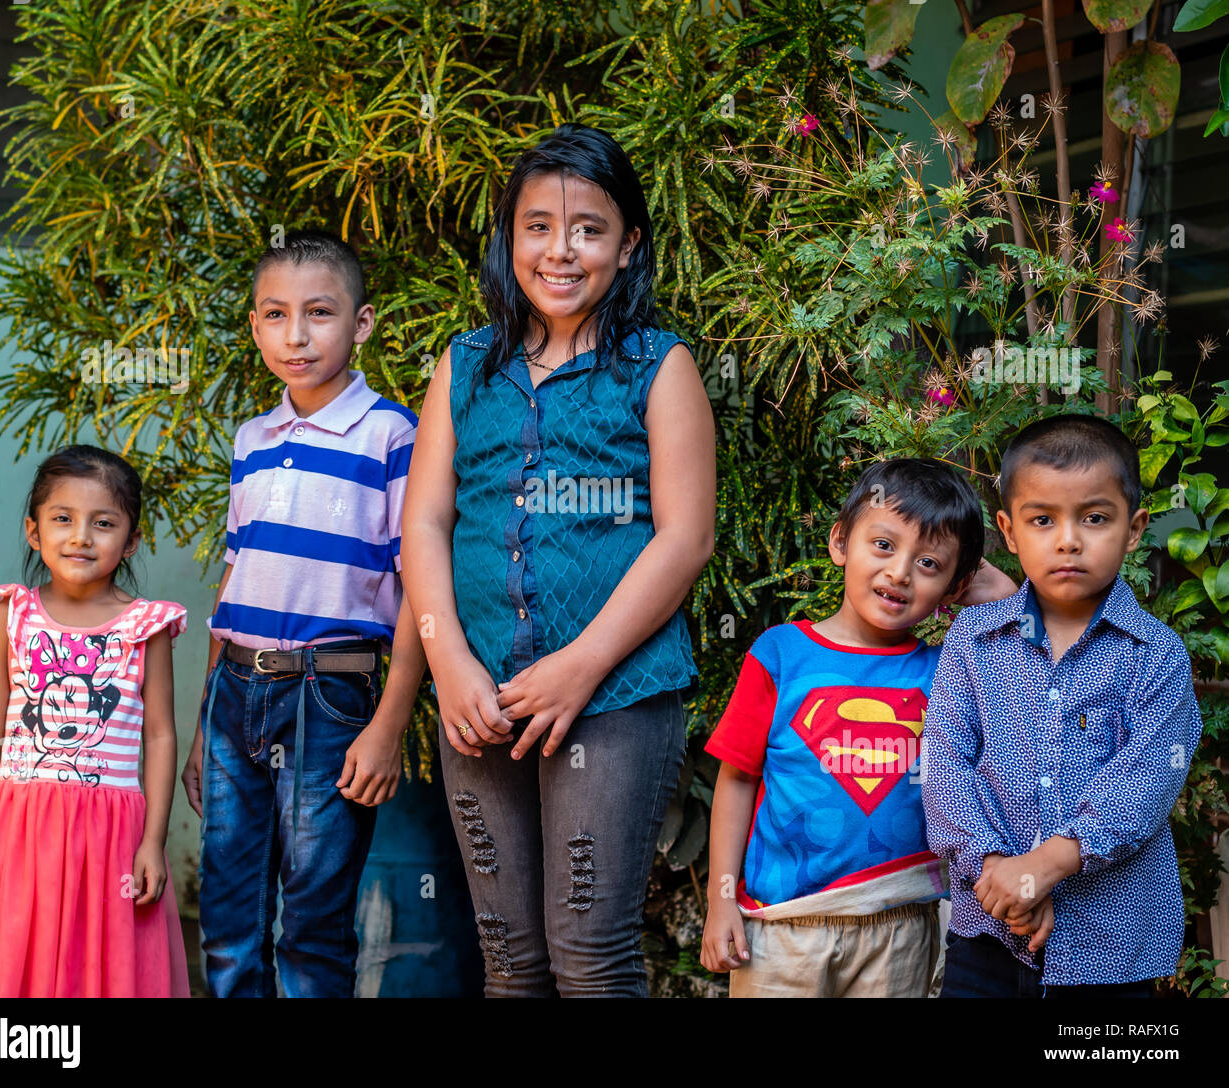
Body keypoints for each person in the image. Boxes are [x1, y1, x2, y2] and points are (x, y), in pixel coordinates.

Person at [401, 123, 716, 996]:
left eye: (589, 228)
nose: (561, 249)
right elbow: (424, 525)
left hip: (614, 696)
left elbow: (685, 538)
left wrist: (579, 667)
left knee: (590, 954)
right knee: (512, 963)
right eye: (537, 225)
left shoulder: (660, 366)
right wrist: (448, 660)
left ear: (628, 246)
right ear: (510, 239)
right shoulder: (464, 364)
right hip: (480, 696)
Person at [180, 229, 425, 998]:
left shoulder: (392, 434)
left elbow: (420, 589)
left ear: (362, 323)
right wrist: (202, 725)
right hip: (233, 698)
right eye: (275, 315)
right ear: (254, 326)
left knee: (314, 926)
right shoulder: (252, 439)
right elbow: (234, 584)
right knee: (226, 916)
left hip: (329, 695)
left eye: (319, 312)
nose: (296, 334)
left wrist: (388, 723)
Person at [700, 457, 1017, 997]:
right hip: (782, 925)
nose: (899, 573)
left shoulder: (948, 672)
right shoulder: (780, 654)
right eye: (884, 546)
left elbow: (1024, 657)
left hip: (900, 918)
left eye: (929, 565)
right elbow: (738, 779)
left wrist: (998, 589)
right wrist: (720, 899)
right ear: (841, 542)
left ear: (955, 586)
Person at [923, 414, 1203, 997]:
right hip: (989, 933)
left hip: (1113, 946)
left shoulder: (1157, 656)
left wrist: (1047, 865)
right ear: (1008, 530)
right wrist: (1001, 876)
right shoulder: (973, 640)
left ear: (1134, 529)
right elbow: (945, 763)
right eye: (1043, 520)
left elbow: (1149, 778)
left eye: (1095, 518)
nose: (1069, 539)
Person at [0, 445, 189, 997]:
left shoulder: (148, 627)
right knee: (18, 960)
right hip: (19, 826)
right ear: (33, 531)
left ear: (132, 540)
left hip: (112, 836)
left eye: (103, 523)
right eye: (62, 519)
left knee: (96, 962)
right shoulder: (11, 614)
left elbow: (161, 735)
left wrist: (152, 841)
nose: (81, 537)